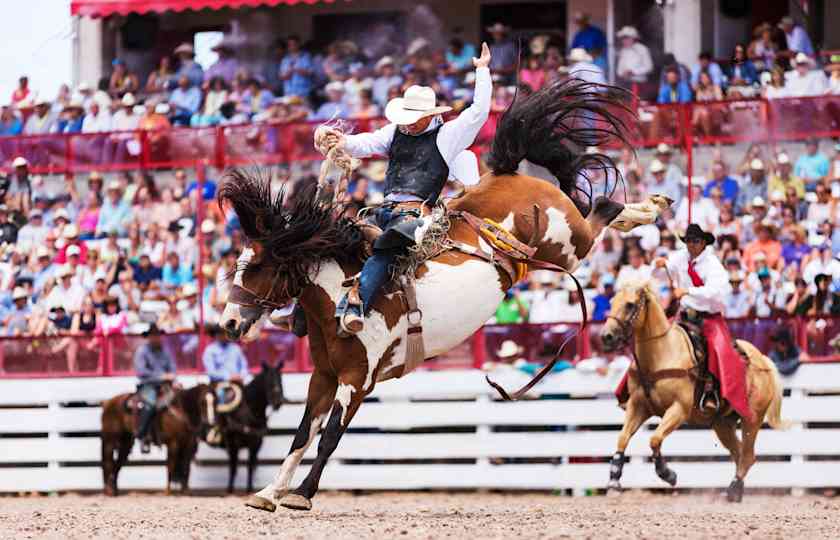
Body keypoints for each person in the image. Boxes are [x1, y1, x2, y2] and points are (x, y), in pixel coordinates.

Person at [316, 43, 493, 334]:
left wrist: (482, 71)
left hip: (415, 218)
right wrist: (341, 141)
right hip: (381, 210)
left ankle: (355, 305)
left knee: (389, 246)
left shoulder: (448, 135)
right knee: (336, 238)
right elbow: (368, 142)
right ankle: (301, 311)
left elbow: (478, 112)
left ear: (428, 115)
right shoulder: (395, 131)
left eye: (412, 119)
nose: (407, 125)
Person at [654, 224, 751, 418]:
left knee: (715, 349)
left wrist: (688, 291)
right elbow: (666, 271)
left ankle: (711, 389)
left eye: (695, 241)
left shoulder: (713, 264)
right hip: (684, 313)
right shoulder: (681, 257)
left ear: (704, 243)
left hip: (708, 317)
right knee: (657, 336)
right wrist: (659, 264)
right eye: (688, 240)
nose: (691, 244)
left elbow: (713, 291)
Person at [133, 323, 176, 453]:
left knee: (180, 401)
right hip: (148, 385)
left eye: (158, 336)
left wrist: (173, 379)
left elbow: (172, 368)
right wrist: (162, 376)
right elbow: (141, 372)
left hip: (166, 385)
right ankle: (143, 435)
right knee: (150, 404)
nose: (156, 338)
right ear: (149, 337)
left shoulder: (166, 350)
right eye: (153, 336)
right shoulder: (142, 351)